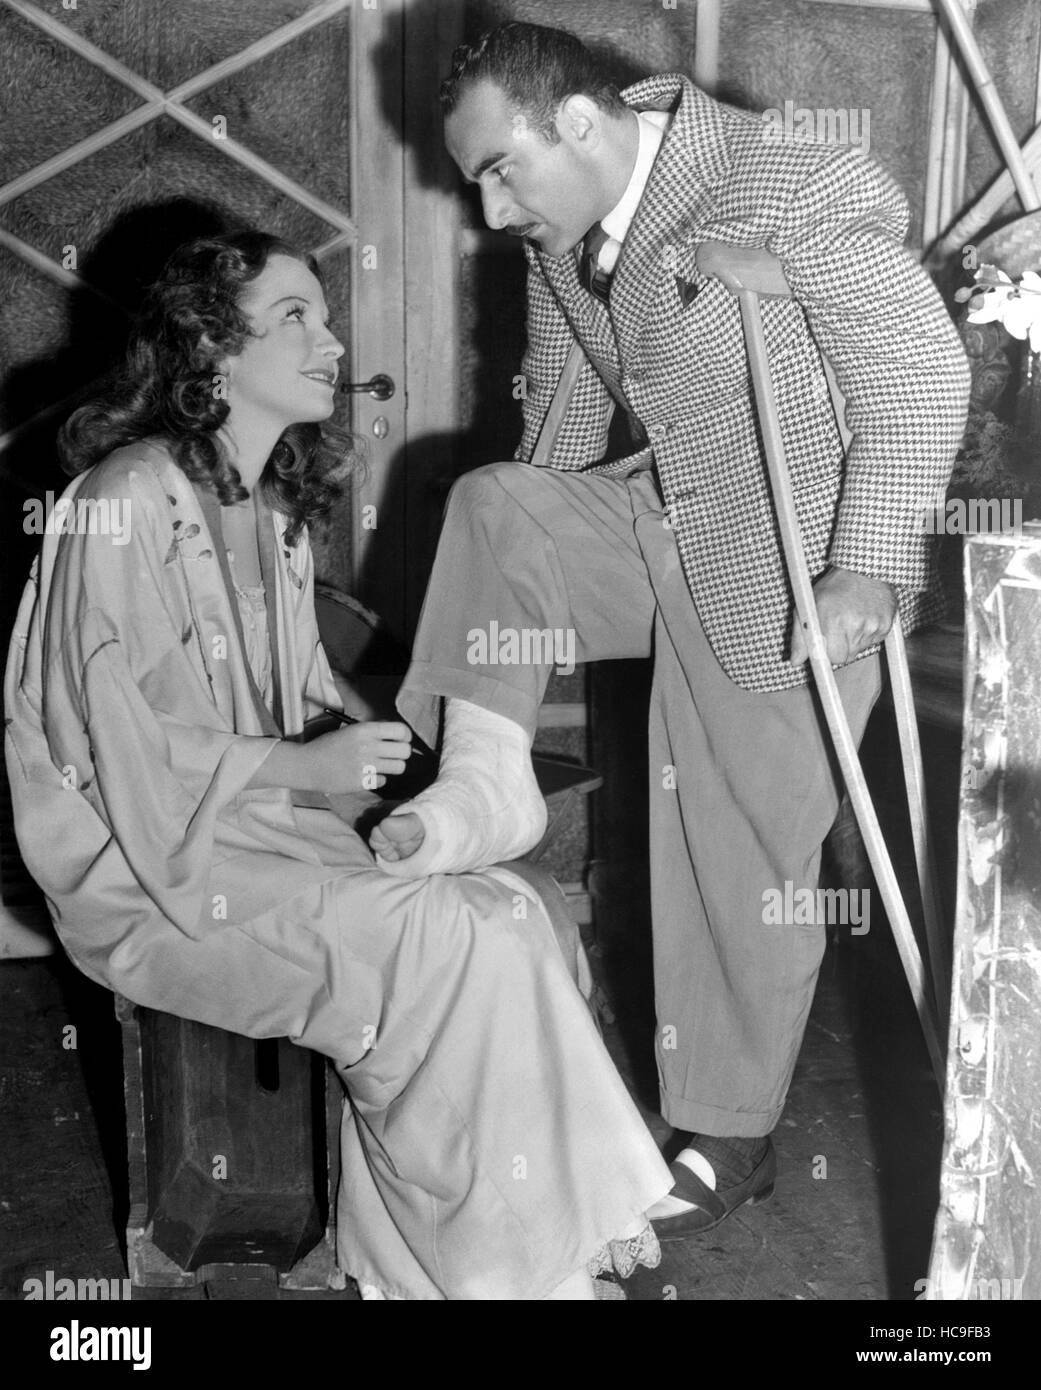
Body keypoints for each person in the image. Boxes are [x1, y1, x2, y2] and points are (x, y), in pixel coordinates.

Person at [371, 22, 971, 1236]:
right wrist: (523, 584)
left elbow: (916, 370)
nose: (491, 212)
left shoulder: (787, 176)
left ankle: (733, 1132)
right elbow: (563, 413)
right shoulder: (563, 234)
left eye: (500, 170)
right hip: (659, 526)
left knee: (738, 848)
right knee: (495, 504)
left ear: (580, 125)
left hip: (790, 567)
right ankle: (487, 785)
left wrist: (865, 568)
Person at [3, 229, 673, 1299]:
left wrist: (430, 757)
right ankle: (510, 1272)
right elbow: (113, 742)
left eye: (324, 312)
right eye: (293, 319)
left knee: (520, 906)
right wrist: (306, 775)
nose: (329, 340)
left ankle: (428, 1261)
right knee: (444, 934)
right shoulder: (127, 499)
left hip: (259, 831)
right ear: (211, 354)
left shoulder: (268, 516)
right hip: (150, 872)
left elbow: (304, 693)